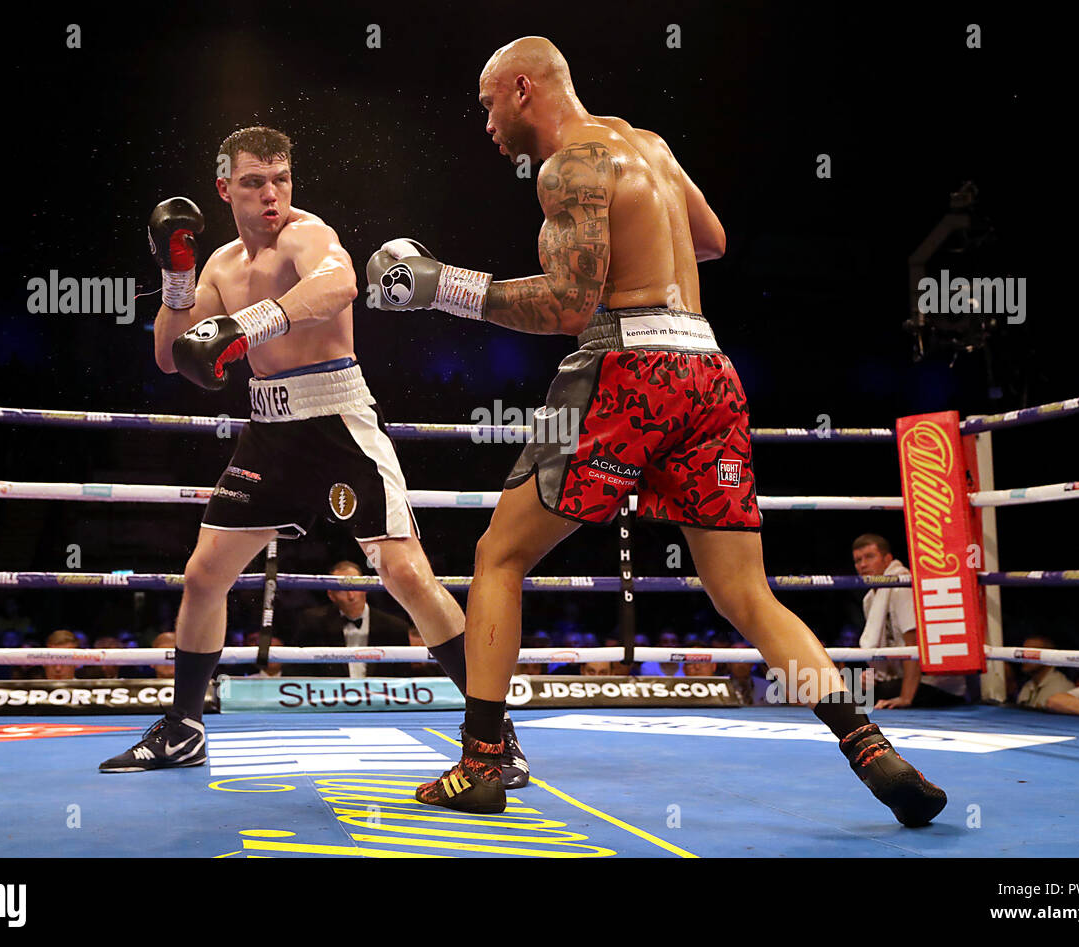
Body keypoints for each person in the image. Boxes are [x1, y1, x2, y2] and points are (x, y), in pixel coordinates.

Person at [368, 37, 945, 826]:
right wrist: (646, 233)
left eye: (488, 103)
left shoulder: (568, 165)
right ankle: (870, 747)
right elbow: (711, 240)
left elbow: (570, 307)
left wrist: (447, 288)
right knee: (746, 591)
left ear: (524, 88)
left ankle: (481, 764)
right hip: (710, 370)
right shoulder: (651, 145)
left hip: (628, 367)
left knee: (498, 554)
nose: (488, 123)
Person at [100, 127, 527, 785]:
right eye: (253, 183)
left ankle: (493, 735)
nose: (271, 196)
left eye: (281, 180)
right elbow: (171, 355)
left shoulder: (307, 235)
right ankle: (184, 726)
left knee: (406, 574)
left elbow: (340, 285)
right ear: (224, 189)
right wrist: (176, 280)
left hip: (337, 423)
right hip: (268, 431)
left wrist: (246, 325)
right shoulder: (217, 266)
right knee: (204, 574)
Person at [853, 534, 966, 708]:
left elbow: (912, 644)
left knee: (871, 694)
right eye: (858, 560)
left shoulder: (902, 586)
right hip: (900, 677)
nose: (863, 565)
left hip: (933, 682)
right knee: (857, 687)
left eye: (869, 557)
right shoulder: (869, 599)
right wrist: (873, 676)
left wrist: (905, 698)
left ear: (887, 559)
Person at [285, 560, 411, 677]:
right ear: (331, 595)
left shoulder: (394, 627)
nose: (351, 596)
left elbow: (403, 675)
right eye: (343, 590)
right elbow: (299, 667)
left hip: (378, 697)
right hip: (331, 695)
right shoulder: (313, 622)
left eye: (355, 587)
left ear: (365, 588)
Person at [1013, 635, 1076, 710]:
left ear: (1047, 656)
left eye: (1031, 652)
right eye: (1023, 651)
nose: (1024, 657)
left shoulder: (1061, 688)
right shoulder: (1028, 686)